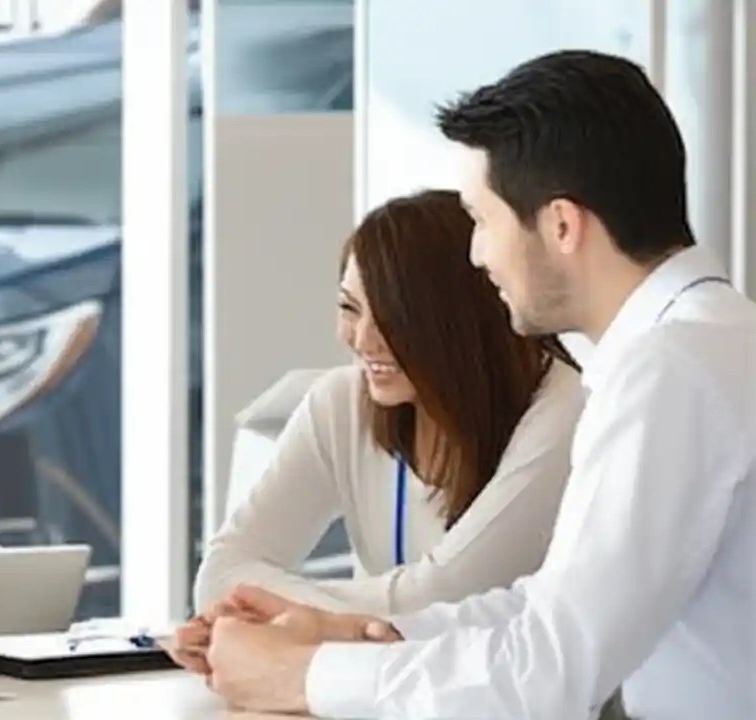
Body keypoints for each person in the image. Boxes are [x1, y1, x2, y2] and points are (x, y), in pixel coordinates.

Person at [195, 50, 756, 720]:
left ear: (561, 226)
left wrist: (306, 678)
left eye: (483, 220)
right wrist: (359, 636)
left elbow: (547, 673)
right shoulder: (707, 344)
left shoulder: (670, 372)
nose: (476, 253)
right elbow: (550, 606)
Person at [168, 190, 584, 671]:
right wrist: (265, 616)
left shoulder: (562, 410)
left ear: (460, 320)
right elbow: (222, 571)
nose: (364, 340)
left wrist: (277, 619)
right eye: (350, 308)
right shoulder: (341, 402)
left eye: (393, 317)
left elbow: (443, 597)